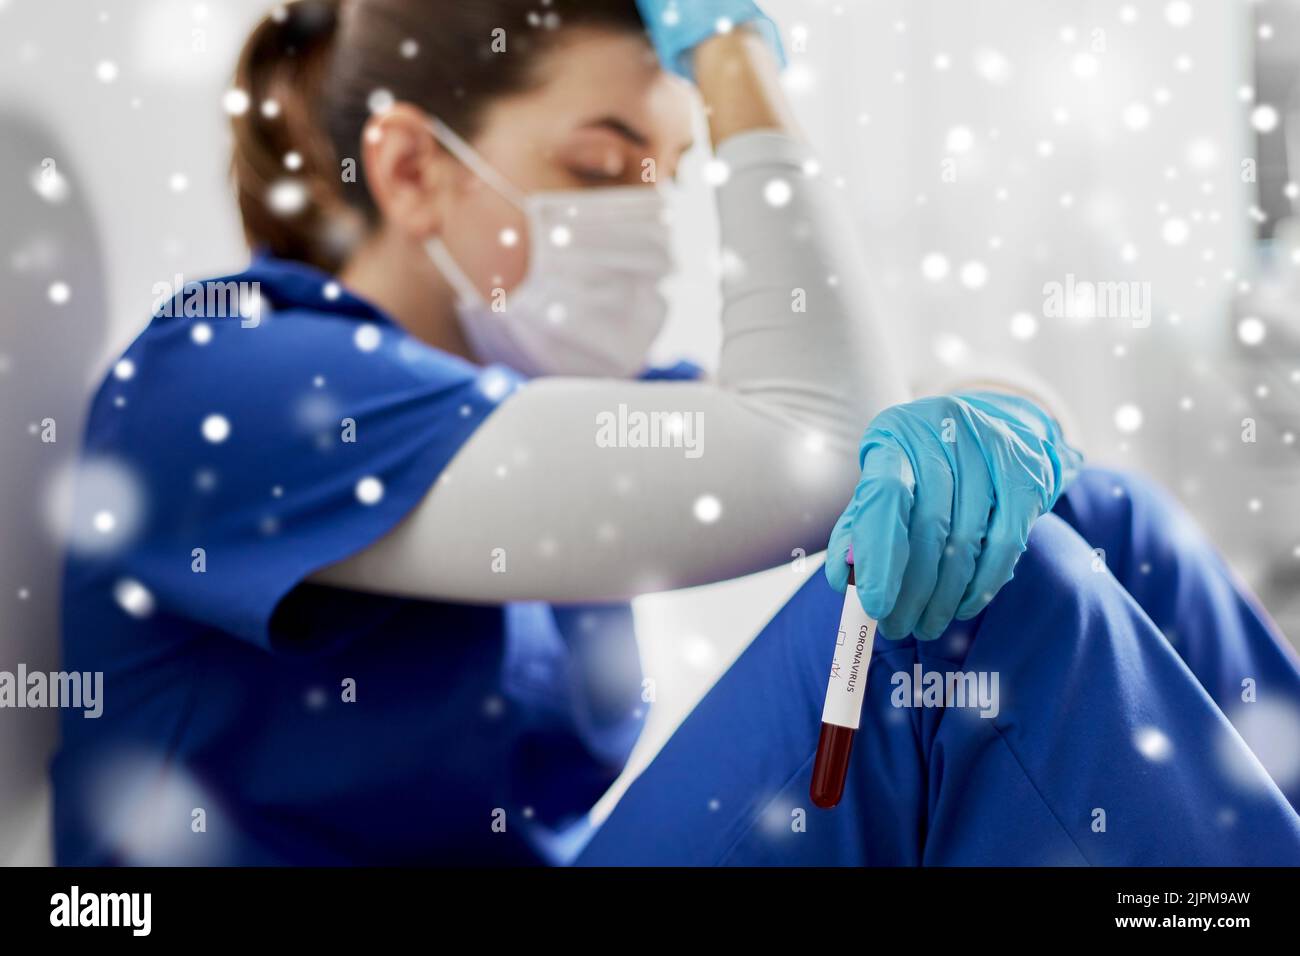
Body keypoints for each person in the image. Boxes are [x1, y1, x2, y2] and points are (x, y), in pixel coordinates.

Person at [52, 0, 1300, 867]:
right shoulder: (230, 382)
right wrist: (734, 66)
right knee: (947, 612)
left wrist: (1015, 416)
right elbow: (818, 444)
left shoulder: (523, 408)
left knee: (1090, 516)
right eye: (603, 169)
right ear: (411, 167)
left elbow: (897, 418)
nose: (651, 222)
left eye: (670, 172)